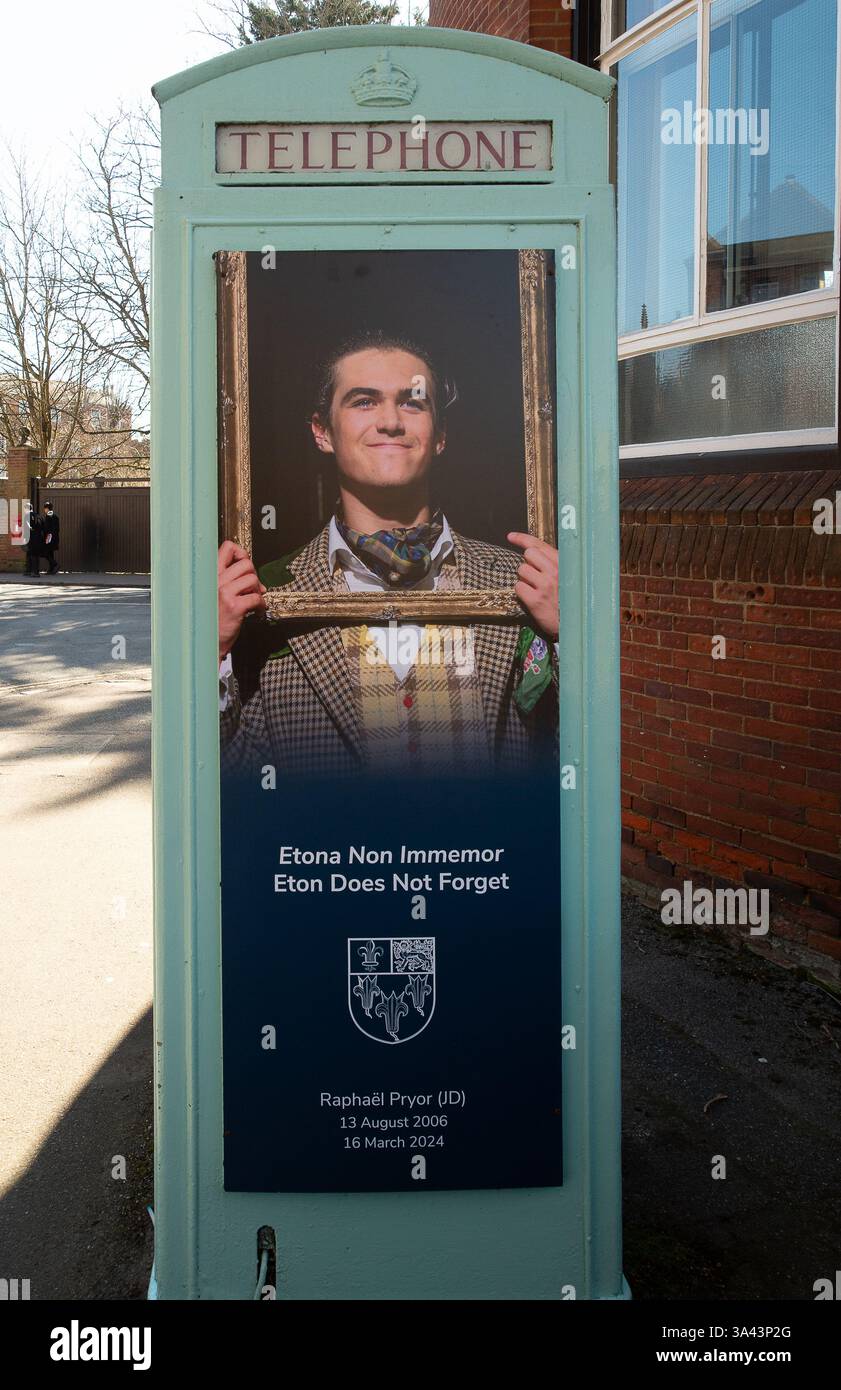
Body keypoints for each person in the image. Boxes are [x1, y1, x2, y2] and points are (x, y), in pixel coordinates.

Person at [218, 330, 559, 778]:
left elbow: (570, 767)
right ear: (323, 432)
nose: (391, 422)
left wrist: (570, 639)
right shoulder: (268, 594)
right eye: (363, 401)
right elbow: (228, 783)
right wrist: (215, 652)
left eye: (413, 401)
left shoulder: (520, 583)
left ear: (439, 435)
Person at [25, 506, 45, 577]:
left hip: (32, 538)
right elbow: (43, 528)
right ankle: (29, 571)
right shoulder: (39, 516)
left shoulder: (27, 516)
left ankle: (34, 572)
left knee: (32, 555)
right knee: (35, 555)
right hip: (39, 539)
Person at [43, 501, 60, 573]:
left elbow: (47, 528)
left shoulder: (48, 516)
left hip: (49, 537)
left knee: (45, 552)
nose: (44, 510)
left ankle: (55, 564)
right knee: (50, 553)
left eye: (45, 508)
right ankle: (51, 569)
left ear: (47, 508)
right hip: (54, 537)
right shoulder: (55, 516)